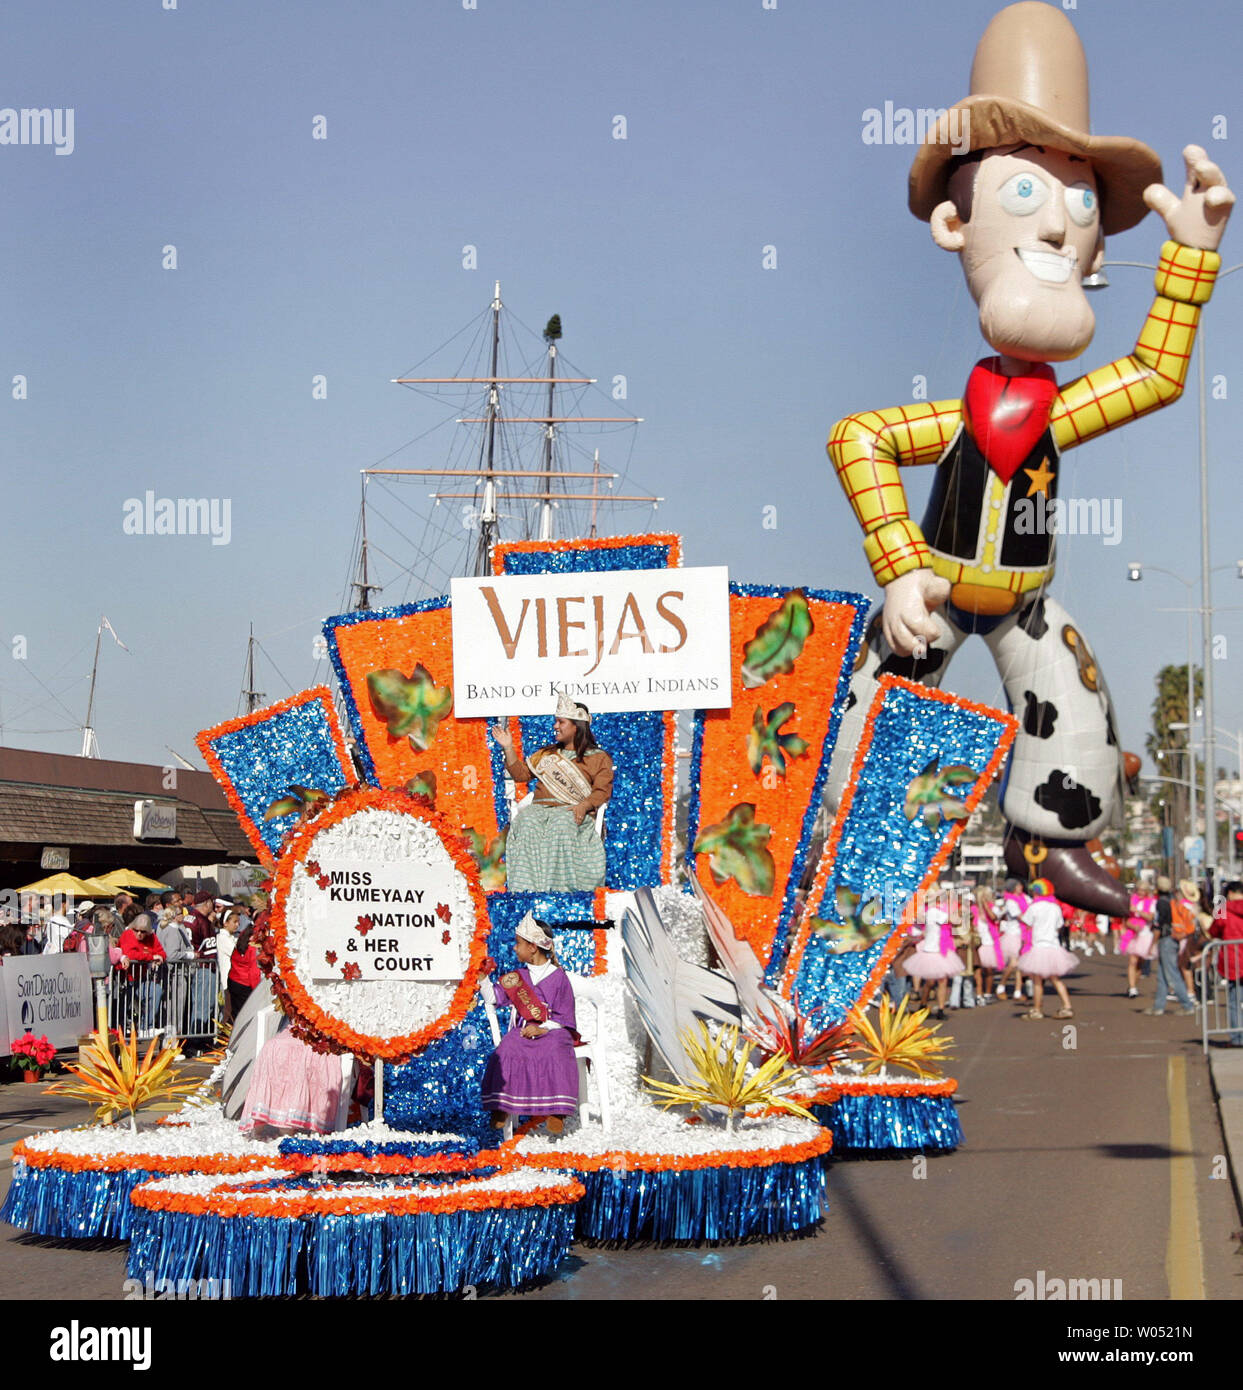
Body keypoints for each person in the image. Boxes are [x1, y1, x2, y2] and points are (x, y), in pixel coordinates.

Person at [823, 1, 1234, 919]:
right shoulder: (962, 421)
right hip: (933, 593)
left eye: (1078, 204)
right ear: (951, 226)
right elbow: (860, 437)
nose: (1056, 228)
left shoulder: (1058, 412)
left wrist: (1189, 262)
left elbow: (1158, 373)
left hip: (1021, 601)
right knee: (868, 717)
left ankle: (1045, 843)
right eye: (1025, 196)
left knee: (1075, 699)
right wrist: (899, 574)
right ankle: (839, 847)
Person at [490, 694, 613, 892]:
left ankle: (561, 893)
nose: (555, 726)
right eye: (555, 721)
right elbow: (521, 774)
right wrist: (508, 747)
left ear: (576, 726)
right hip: (539, 809)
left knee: (561, 825)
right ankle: (526, 891)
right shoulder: (547, 754)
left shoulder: (599, 758)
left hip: (572, 811)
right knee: (526, 822)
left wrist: (584, 805)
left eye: (561, 722)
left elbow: (602, 791)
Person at [480, 914, 579, 1135]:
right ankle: (501, 1105)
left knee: (556, 1048)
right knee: (507, 1048)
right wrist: (482, 977)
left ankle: (557, 1110)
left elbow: (565, 1017)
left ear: (533, 947)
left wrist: (543, 1028)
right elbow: (493, 998)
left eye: (518, 944)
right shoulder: (517, 977)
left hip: (553, 1031)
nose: (515, 949)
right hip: (523, 1030)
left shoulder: (559, 978)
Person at [241, 1003, 346, 1137]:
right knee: (274, 1046)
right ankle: (281, 1118)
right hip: (299, 1026)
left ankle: (299, 1119)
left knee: (309, 1052)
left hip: (324, 1027)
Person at [1016, 879, 1078, 1020]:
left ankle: (1037, 1010)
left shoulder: (1034, 907)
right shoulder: (1055, 907)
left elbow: (1026, 923)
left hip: (1039, 947)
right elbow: (1059, 925)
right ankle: (1067, 1006)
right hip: (1054, 946)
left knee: (1037, 981)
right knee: (1056, 979)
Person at [1145, 875, 1197, 1017]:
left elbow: (1158, 925)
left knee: (1171, 974)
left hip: (1166, 939)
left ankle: (1187, 1005)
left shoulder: (1161, 903)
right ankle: (1158, 1006)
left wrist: (1152, 944)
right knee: (1162, 974)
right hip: (1172, 939)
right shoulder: (1172, 901)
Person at [1210, 881, 1243, 1046]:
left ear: (1229, 893)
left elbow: (1214, 930)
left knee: (1234, 1002)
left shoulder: (1222, 907)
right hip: (1235, 958)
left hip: (1233, 960)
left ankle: (1238, 1038)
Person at [226, 915, 261, 1022]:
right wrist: (256, 990)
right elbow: (253, 971)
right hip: (244, 984)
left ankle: (227, 1036)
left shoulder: (241, 941)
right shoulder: (253, 948)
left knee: (234, 1013)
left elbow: (233, 958)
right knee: (243, 1016)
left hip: (233, 979)